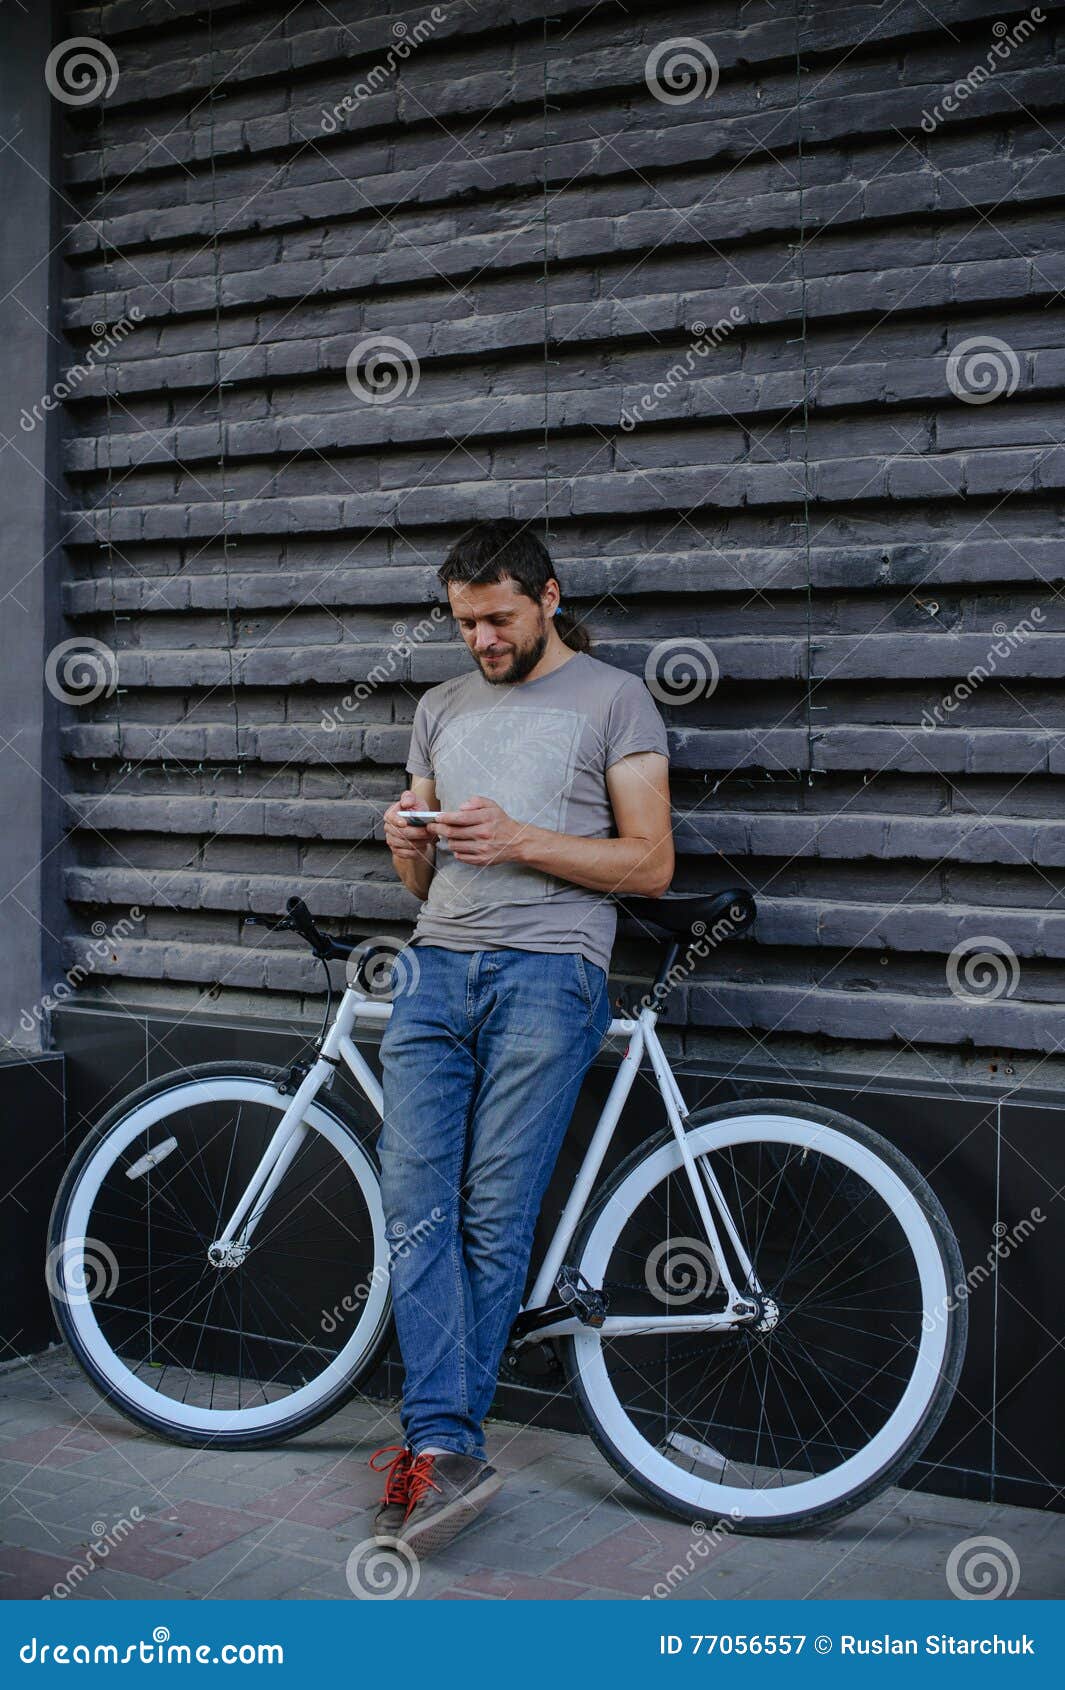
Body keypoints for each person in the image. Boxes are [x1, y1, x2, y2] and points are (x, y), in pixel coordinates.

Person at [368, 518, 673, 1558]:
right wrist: (406, 842)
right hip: (431, 966)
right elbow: (421, 883)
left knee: (494, 1214)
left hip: (552, 973)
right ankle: (449, 1447)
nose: (482, 640)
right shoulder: (439, 706)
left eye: (498, 617)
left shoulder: (615, 696)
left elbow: (652, 864)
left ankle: (440, 1448)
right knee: (415, 1202)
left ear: (548, 595)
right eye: (464, 623)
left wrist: (523, 840)